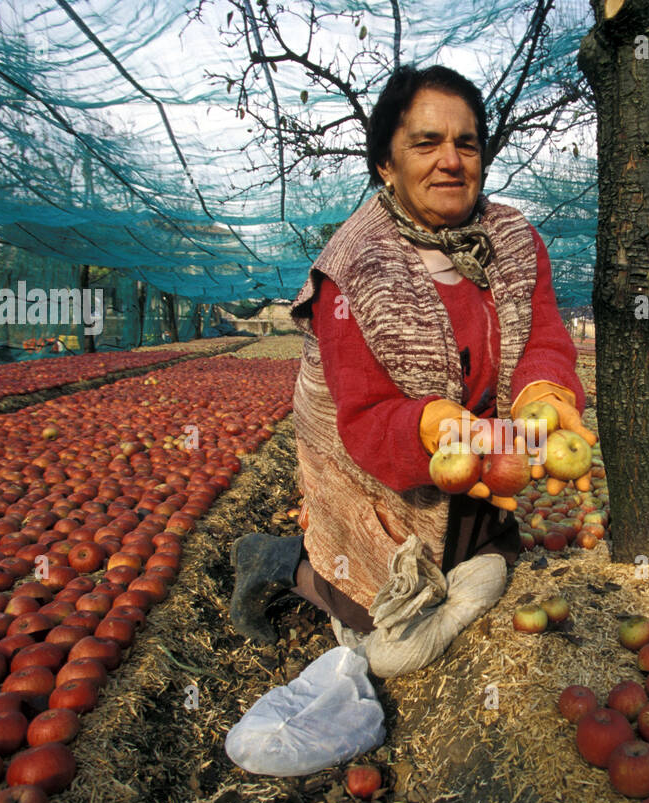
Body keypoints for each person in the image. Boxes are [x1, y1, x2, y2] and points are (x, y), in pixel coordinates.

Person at [229, 64, 595, 674]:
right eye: (426, 143)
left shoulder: (513, 239)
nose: (451, 160)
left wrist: (545, 391)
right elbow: (365, 416)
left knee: (479, 575)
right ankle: (282, 563)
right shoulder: (354, 266)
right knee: (384, 638)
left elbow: (543, 337)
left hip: (480, 456)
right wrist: (429, 425)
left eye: (466, 142)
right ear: (385, 165)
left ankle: (449, 542)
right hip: (375, 466)